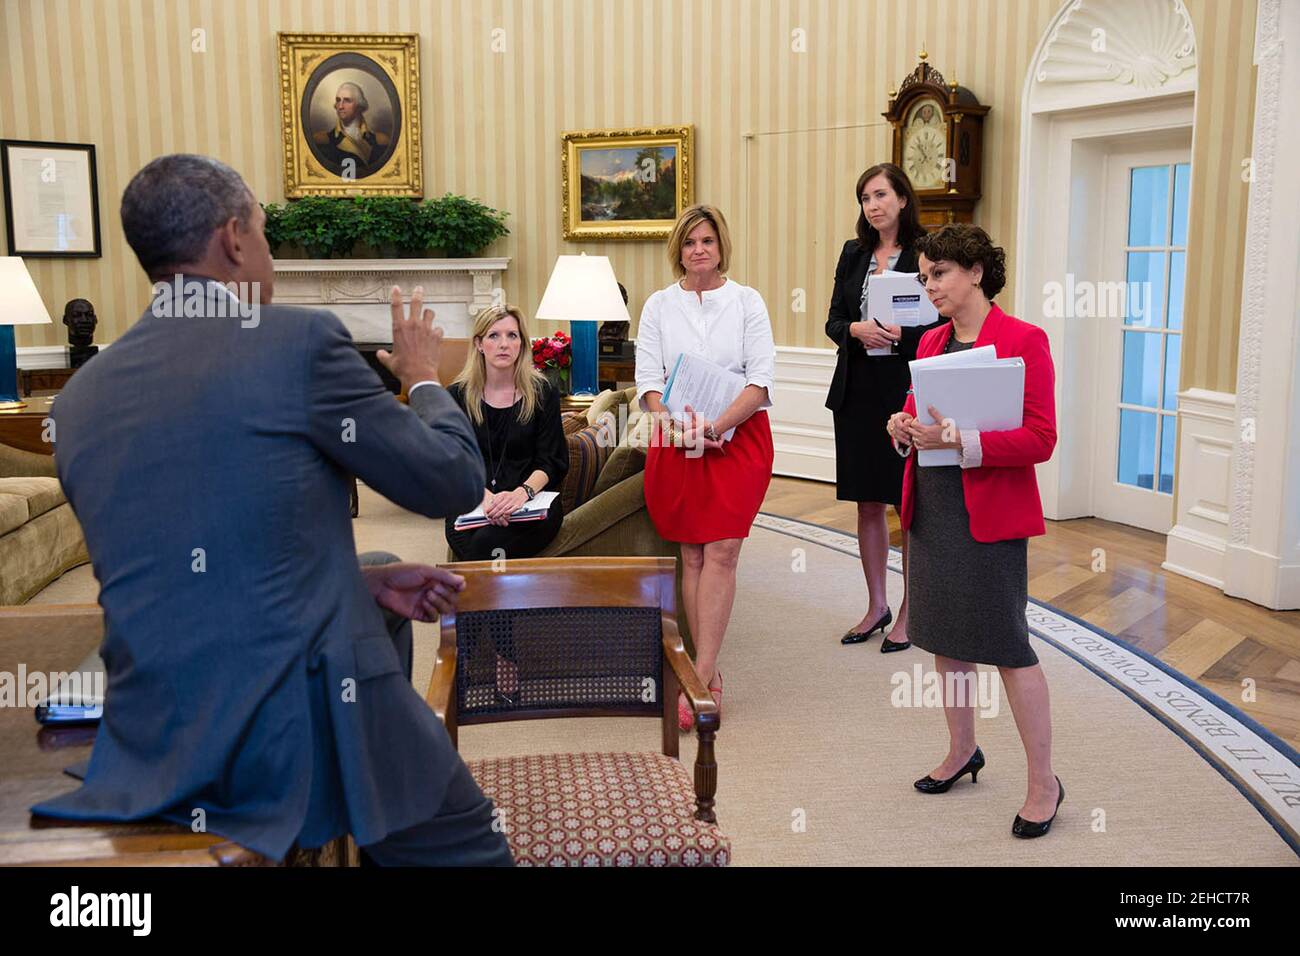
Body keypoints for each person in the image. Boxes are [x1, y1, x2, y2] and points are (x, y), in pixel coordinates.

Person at [31, 153, 513, 866]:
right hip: (286, 724)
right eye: (263, 234)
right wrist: (421, 378)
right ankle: (371, 803)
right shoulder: (297, 343)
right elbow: (451, 481)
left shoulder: (76, 403)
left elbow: (196, 564)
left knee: (375, 565)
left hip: (155, 736)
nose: (269, 256)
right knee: (477, 848)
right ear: (232, 238)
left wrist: (351, 580)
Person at [887, 223, 1063, 838]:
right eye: (925, 275)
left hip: (987, 513)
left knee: (1008, 646)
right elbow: (917, 413)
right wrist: (902, 426)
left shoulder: (1023, 340)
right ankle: (963, 750)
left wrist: (962, 439)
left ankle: (1044, 782)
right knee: (945, 638)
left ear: (976, 273)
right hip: (933, 509)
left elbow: (1041, 439)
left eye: (939, 273)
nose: (929, 285)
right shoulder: (932, 340)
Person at [634, 204, 776, 731]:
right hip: (677, 439)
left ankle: (702, 674)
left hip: (737, 438)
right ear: (679, 249)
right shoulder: (658, 306)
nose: (699, 250)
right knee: (691, 553)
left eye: (708, 241)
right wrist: (673, 426)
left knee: (723, 548)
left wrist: (716, 428)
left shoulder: (746, 301)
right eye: (690, 241)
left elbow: (760, 381)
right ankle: (705, 672)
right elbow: (649, 378)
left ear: (721, 247)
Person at [824, 162, 941, 652]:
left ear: (902, 199)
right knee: (867, 501)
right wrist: (855, 329)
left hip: (904, 389)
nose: (872, 206)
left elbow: (941, 324)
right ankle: (877, 604)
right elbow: (833, 321)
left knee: (904, 501)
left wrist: (901, 335)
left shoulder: (926, 253)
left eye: (879, 195)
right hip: (857, 390)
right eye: (865, 199)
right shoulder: (854, 254)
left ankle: (912, 610)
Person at [444, 303, 568, 561]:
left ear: (522, 343)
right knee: (475, 541)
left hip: (531, 503)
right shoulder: (457, 396)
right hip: (474, 500)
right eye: (494, 335)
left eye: (512, 335)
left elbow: (552, 461)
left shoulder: (543, 393)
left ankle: (478, 600)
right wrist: (487, 499)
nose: (504, 344)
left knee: (485, 546)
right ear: (479, 344)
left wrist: (520, 495)